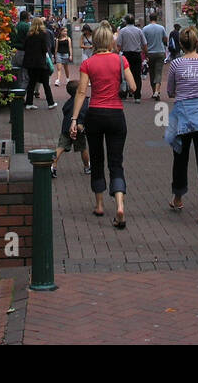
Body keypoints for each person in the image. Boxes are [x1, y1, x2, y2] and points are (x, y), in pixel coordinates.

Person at [70, 23, 136, 226]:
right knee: (116, 162)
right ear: (111, 41)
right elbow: (133, 87)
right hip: (116, 114)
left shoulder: (88, 64)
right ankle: (120, 206)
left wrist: (74, 119)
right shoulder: (120, 60)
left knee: (97, 161)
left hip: (95, 114)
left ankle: (99, 205)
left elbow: (81, 92)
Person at [165, 26, 198, 223]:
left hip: (183, 117)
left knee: (180, 159)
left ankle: (178, 197)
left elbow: (170, 90)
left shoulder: (176, 64)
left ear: (180, 44)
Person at [51, 73, 90, 178]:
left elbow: (64, 110)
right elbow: (83, 112)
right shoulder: (84, 101)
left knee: (61, 147)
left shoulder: (68, 102)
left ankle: (53, 165)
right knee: (83, 148)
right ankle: (87, 167)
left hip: (66, 127)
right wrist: (81, 123)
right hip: (78, 127)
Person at [23, 16, 56, 109]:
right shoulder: (43, 34)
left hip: (29, 62)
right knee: (45, 83)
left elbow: (24, 47)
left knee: (31, 83)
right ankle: (51, 103)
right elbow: (45, 48)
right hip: (40, 62)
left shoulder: (29, 34)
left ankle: (29, 103)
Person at [115, 15, 148, 103]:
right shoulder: (139, 30)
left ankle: (124, 94)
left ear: (125, 21)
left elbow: (118, 45)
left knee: (124, 75)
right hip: (137, 54)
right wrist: (146, 53)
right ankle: (137, 96)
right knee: (137, 75)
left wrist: (116, 54)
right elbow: (144, 44)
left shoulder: (122, 31)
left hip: (126, 55)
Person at [142, 12, 168, 100]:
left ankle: (153, 91)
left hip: (150, 52)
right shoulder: (161, 28)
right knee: (158, 72)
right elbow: (165, 39)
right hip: (160, 52)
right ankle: (157, 91)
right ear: (156, 18)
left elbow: (143, 43)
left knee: (152, 73)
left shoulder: (145, 29)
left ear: (149, 18)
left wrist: (145, 54)